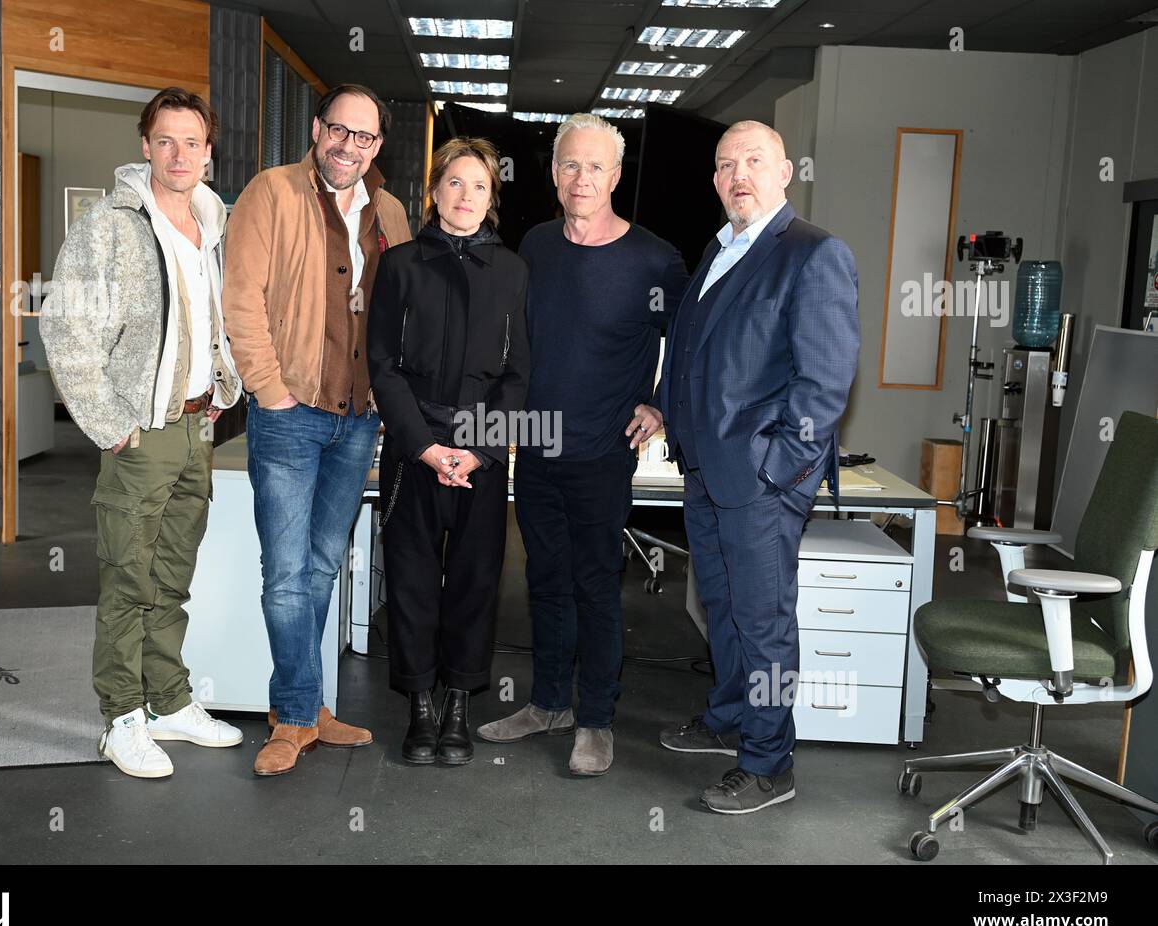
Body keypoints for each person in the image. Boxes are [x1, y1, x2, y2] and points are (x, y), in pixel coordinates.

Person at [476, 114, 689, 776]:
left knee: (594, 583)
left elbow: (688, 342)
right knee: (543, 579)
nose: (581, 178)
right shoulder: (536, 244)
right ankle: (546, 703)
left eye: (595, 167)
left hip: (602, 451)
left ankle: (595, 717)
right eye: (570, 165)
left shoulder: (655, 259)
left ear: (616, 176)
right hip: (536, 447)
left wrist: (661, 403)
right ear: (553, 173)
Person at [42, 87, 244, 779]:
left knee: (171, 580)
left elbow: (220, 317)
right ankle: (121, 718)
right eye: (166, 140)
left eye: (192, 141)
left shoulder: (216, 220)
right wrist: (111, 424)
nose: (179, 154)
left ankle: (169, 701)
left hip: (196, 430)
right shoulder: (111, 225)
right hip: (140, 434)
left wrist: (224, 386)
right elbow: (65, 326)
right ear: (145, 146)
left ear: (209, 152)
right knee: (128, 581)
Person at [658, 120, 859, 814]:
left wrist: (777, 466)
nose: (736, 175)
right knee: (724, 607)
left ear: (784, 171)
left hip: (760, 479)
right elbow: (691, 349)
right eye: (723, 164)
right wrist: (668, 416)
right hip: (706, 471)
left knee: (764, 619)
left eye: (752, 161)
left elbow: (825, 383)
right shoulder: (721, 248)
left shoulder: (812, 253)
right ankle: (729, 717)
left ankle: (770, 761)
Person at [223, 84, 413, 777]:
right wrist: (268, 390)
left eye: (363, 137)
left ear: (377, 146)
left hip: (359, 420)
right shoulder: (270, 193)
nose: (348, 146)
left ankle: (312, 709)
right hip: (291, 413)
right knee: (285, 575)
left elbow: (401, 313)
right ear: (316, 128)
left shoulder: (390, 211)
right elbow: (241, 298)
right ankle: (294, 713)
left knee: (324, 565)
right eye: (338, 130)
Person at [367, 137, 529, 766]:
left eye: (479, 186)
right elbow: (382, 365)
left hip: (483, 455)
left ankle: (459, 703)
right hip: (416, 449)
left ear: (492, 199)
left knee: (474, 582)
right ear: (434, 190)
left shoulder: (513, 271)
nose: (465, 196)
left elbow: (521, 375)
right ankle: (418, 706)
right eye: (454, 183)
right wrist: (427, 447)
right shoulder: (402, 263)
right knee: (410, 581)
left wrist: (480, 452)